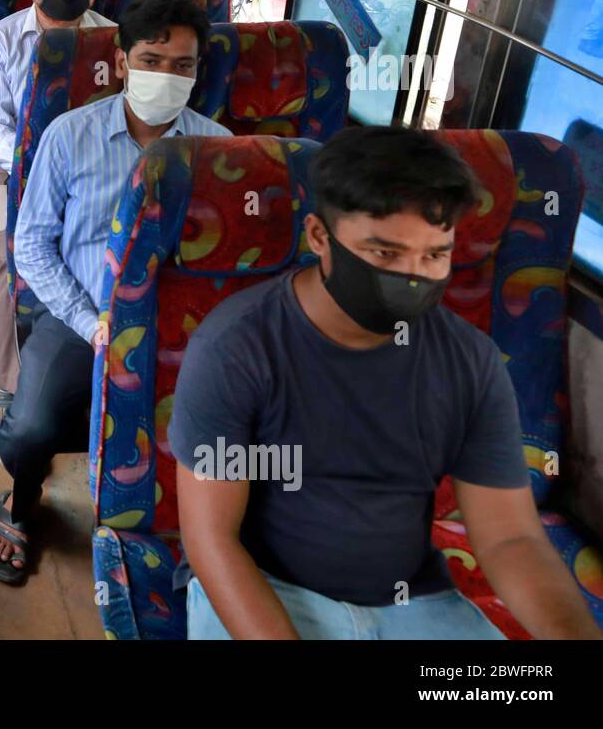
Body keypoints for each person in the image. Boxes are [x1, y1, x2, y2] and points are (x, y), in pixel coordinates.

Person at [169, 126, 603, 640]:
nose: (413, 277)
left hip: (411, 602)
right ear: (319, 237)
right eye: (384, 255)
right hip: (266, 587)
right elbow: (211, 539)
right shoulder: (236, 349)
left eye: (434, 256)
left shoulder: (470, 362)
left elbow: (509, 537)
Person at [0, 0, 231, 584]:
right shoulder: (70, 135)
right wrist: (90, 317)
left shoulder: (219, 152)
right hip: (81, 313)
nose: (166, 77)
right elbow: (34, 244)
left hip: (183, 327)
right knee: (31, 427)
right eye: (151, 59)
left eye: (183, 66)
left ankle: (206, 529)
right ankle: (22, 499)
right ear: (121, 63)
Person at [0, 0, 115, 433]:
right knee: (12, 256)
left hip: (98, 172)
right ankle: (10, 380)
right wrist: (50, 171)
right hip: (7, 173)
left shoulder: (116, 43)